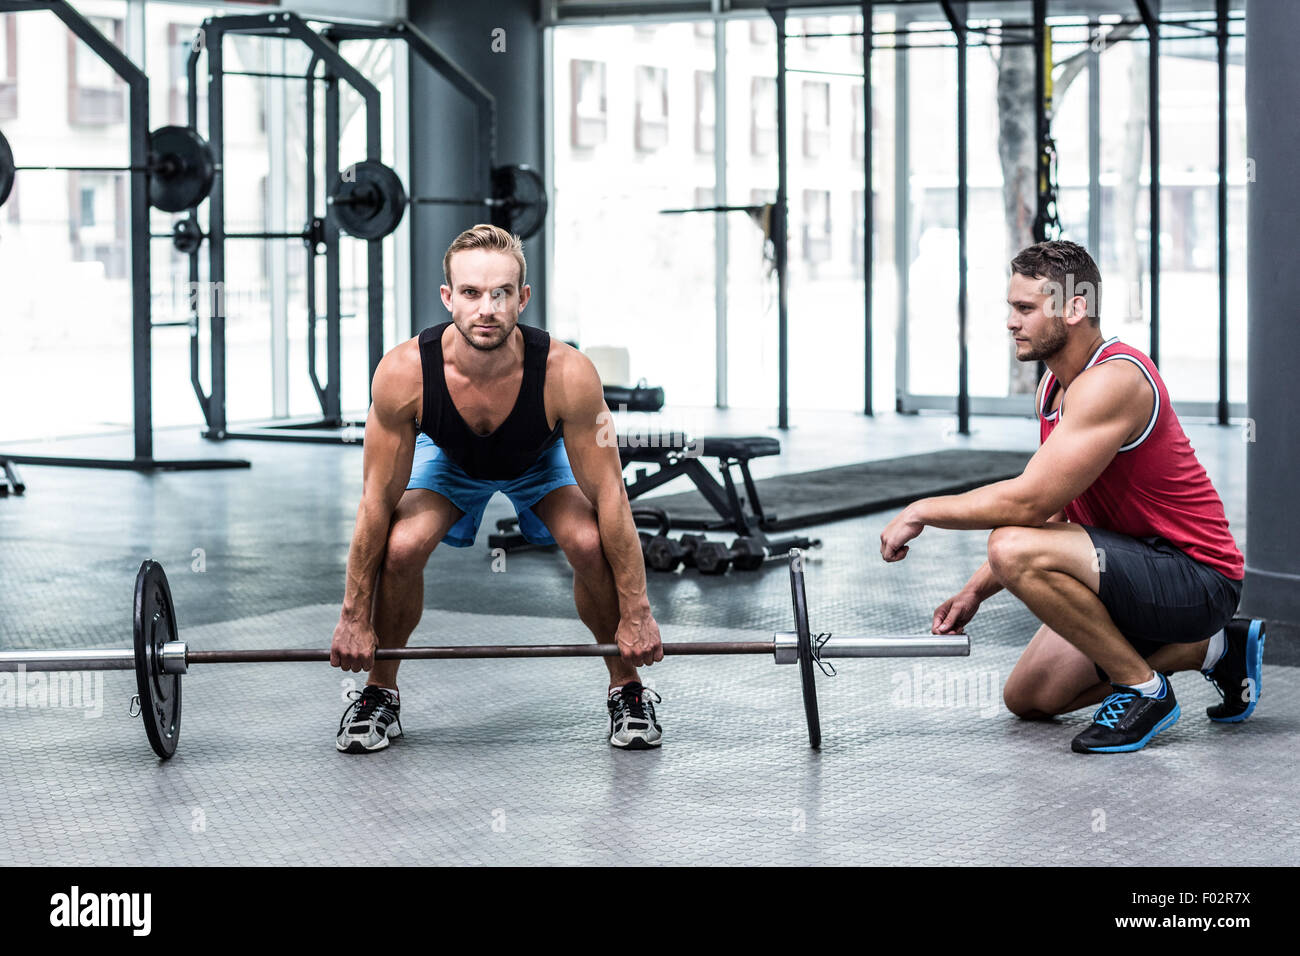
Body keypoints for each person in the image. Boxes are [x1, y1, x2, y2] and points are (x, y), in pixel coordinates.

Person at [879, 240, 1258, 753]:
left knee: (1011, 543)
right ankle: (1215, 649)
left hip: (1196, 579)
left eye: (1025, 308)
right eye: (1011, 308)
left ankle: (1145, 691)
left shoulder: (1114, 381)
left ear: (1075, 307)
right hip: (1129, 573)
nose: (1011, 322)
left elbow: (1027, 507)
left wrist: (922, 510)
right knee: (1029, 698)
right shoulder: (1055, 389)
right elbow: (1058, 507)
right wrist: (974, 592)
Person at [329, 224, 664, 753]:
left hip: (537, 458)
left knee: (587, 541)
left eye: (500, 293)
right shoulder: (402, 374)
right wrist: (351, 617)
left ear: (522, 298)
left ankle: (627, 688)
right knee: (401, 546)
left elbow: (611, 498)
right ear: (448, 298)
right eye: (470, 293)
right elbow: (376, 500)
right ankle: (380, 693)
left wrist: (638, 610)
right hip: (452, 460)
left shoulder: (568, 373)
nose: (486, 309)